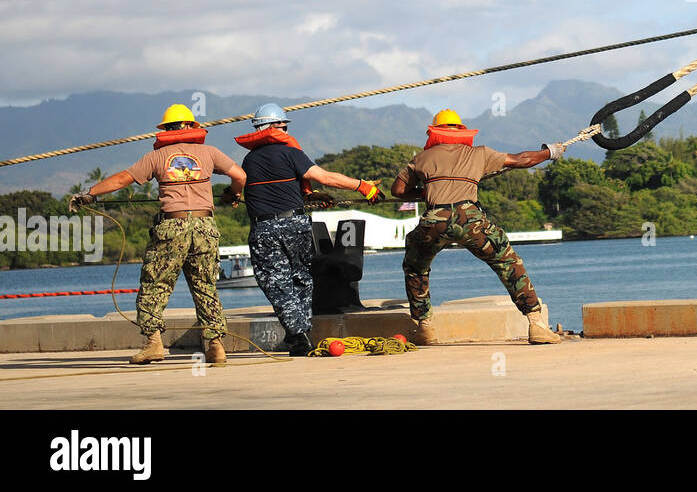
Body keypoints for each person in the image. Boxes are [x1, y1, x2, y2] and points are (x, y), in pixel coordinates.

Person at [68, 103, 245, 366]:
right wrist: (235, 192)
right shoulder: (209, 152)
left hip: (171, 228)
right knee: (205, 285)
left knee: (155, 285)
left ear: (166, 130)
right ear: (191, 126)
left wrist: (90, 193)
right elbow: (240, 175)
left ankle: (153, 344)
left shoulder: (157, 157)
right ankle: (216, 346)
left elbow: (122, 180)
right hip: (205, 227)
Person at [392, 108, 569, 345]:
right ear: (462, 131)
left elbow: (398, 190)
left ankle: (425, 327)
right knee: (507, 262)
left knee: (415, 267)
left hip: (435, 219)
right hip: (470, 219)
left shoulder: (422, 158)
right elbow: (520, 160)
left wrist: (425, 191)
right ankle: (536, 324)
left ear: (434, 132)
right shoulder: (479, 153)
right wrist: (549, 152)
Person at [219, 103, 384, 356]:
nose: (286, 130)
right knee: (302, 280)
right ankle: (299, 333)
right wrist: (363, 186)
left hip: (265, 228)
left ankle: (297, 334)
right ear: (274, 127)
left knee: (275, 282)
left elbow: (252, 186)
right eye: (283, 126)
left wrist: (231, 195)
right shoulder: (291, 153)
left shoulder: (249, 160)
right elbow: (325, 177)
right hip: (296, 224)